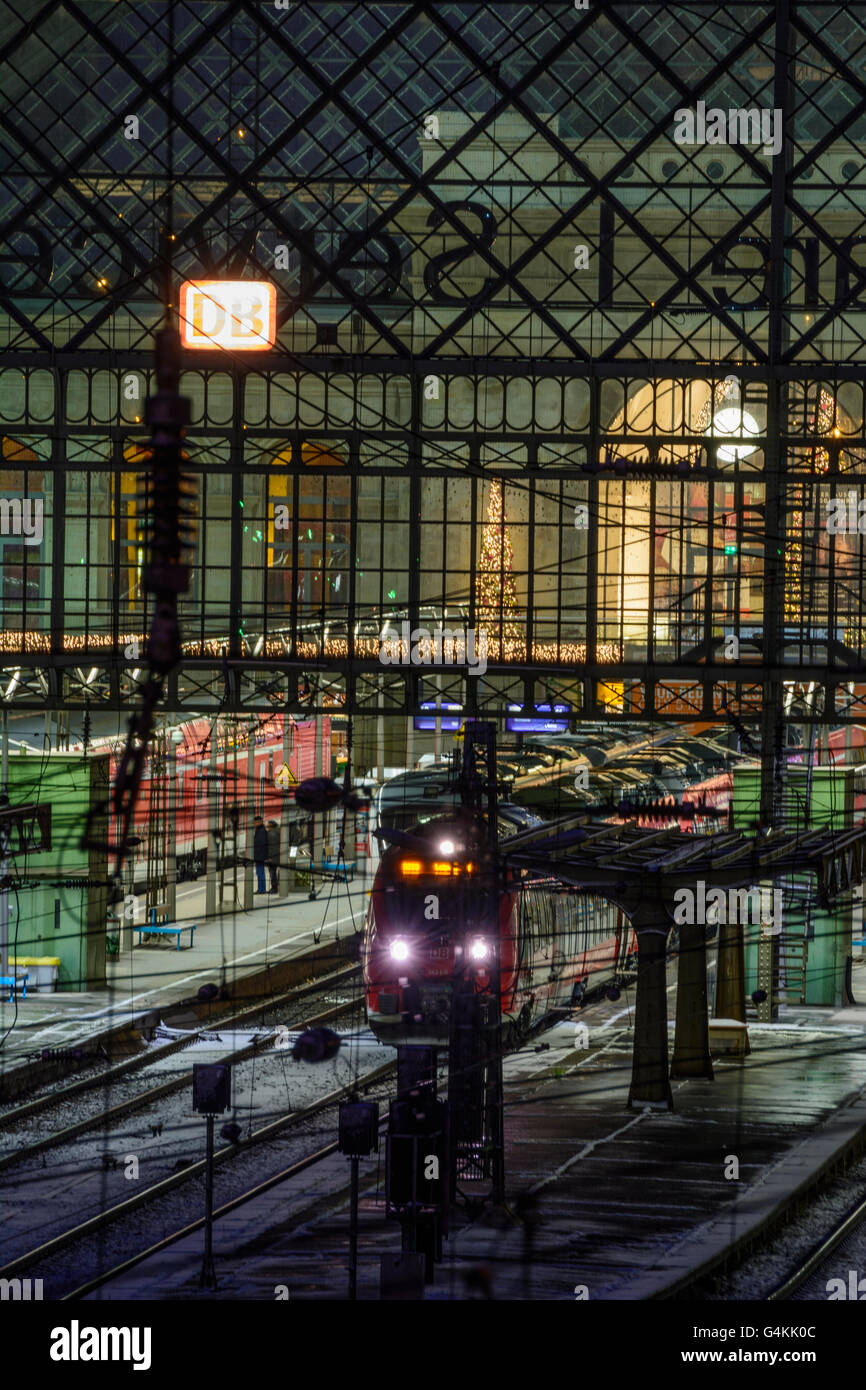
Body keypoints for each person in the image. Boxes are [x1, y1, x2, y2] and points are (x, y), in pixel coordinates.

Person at [253, 816, 268, 894]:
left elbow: (261, 844)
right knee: (259, 872)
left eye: (255, 822)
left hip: (260, 855)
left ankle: (261, 889)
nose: (254, 824)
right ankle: (261, 889)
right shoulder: (260, 830)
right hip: (259, 854)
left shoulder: (261, 831)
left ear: (259, 822)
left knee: (260, 872)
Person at [266, 819, 281, 894]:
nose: (267, 828)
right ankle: (279, 885)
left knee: (272, 873)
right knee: (280, 871)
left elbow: (270, 847)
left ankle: (274, 888)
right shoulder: (280, 831)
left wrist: (269, 857)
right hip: (279, 855)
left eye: (267, 826)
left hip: (273, 856)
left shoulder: (270, 834)